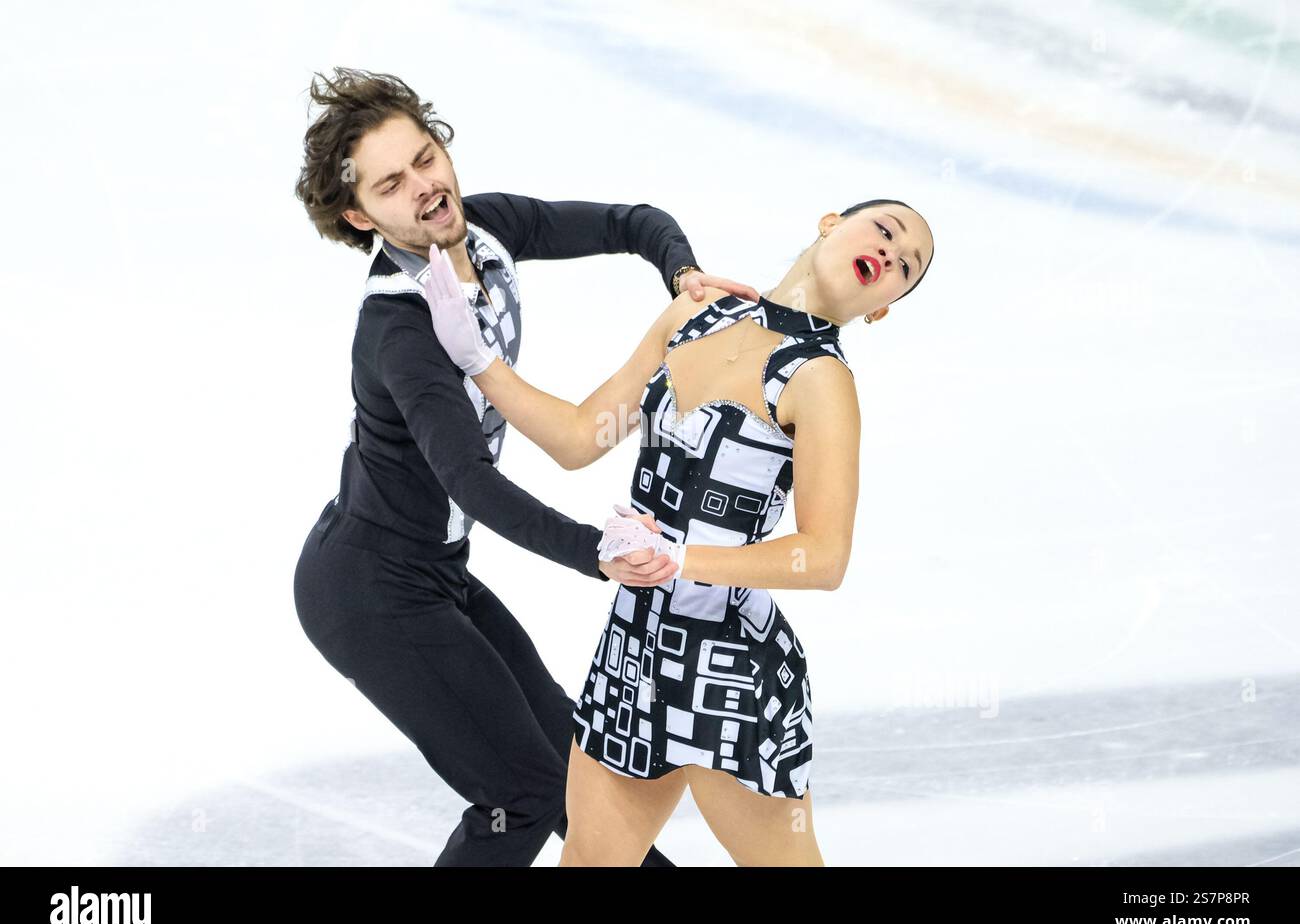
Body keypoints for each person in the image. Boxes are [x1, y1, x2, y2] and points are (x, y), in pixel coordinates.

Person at [290, 67, 758, 867]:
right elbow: (471, 483)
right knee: (523, 798)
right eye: (393, 184)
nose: (427, 188)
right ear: (359, 214)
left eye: (427, 157)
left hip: (435, 575)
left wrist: (680, 271)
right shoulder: (401, 334)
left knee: (581, 774)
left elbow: (631, 221)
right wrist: (596, 552)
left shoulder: (486, 229)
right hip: (369, 594)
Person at [423, 198, 934, 865]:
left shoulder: (821, 380)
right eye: (886, 231)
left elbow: (825, 556)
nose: (891, 254)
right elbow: (583, 436)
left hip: (730, 674)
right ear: (831, 223)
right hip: (631, 653)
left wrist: (678, 555)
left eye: (906, 267)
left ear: (883, 307)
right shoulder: (694, 313)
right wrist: (479, 361)